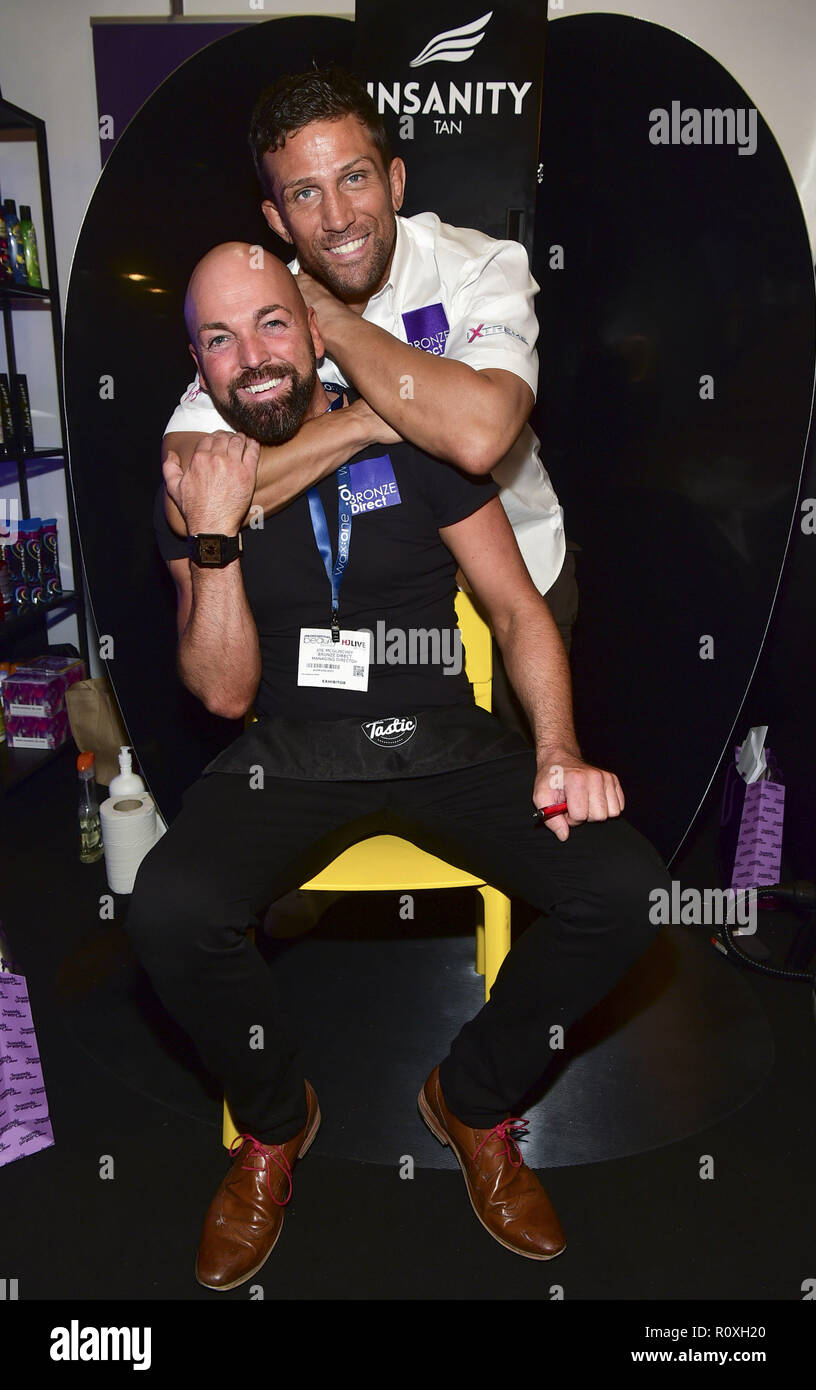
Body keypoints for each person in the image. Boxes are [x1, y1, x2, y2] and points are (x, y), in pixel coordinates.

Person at [131, 242, 669, 1290]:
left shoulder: (412, 433)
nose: (254, 355)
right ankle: (277, 1126)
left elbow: (517, 608)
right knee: (166, 907)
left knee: (625, 885)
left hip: (445, 738)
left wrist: (556, 744)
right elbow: (225, 692)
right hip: (288, 751)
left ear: (314, 317)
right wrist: (212, 541)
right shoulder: (195, 479)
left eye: (271, 322)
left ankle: (470, 1098)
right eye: (220, 337)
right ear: (197, 363)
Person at [161, 64, 578, 660]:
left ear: (396, 182)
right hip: (373, 601)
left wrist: (331, 320)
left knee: (532, 754)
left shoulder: (479, 269)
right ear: (276, 219)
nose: (337, 218)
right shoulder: (269, 312)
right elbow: (188, 498)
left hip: (520, 577)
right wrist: (362, 422)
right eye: (305, 193)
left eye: (354, 178)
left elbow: (479, 436)